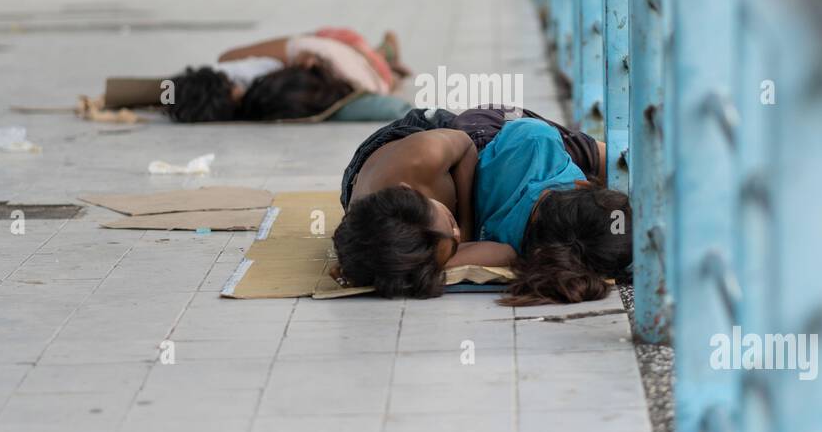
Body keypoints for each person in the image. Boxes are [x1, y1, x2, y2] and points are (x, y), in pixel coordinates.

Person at [332, 105, 621, 301]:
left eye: (451, 226)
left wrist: (470, 226)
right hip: (364, 189)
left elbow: (465, 147)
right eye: (454, 244)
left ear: (412, 192)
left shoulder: (424, 154)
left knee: (533, 137)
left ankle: (615, 156)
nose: (458, 235)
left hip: (448, 133)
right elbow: (504, 252)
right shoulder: (390, 249)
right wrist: (437, 264)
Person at [472, 117, 631, 306]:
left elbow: (528, 130)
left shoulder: (538, 141)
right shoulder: (510, 248)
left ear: (582, 185)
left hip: (483, 135)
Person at [165, 29, 410, 123]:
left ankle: (387, 53)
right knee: (371, 55)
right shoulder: (312, 56)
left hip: (360, 61)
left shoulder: (358, 91)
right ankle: (386, 52)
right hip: (349, 49)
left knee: (372, 58)